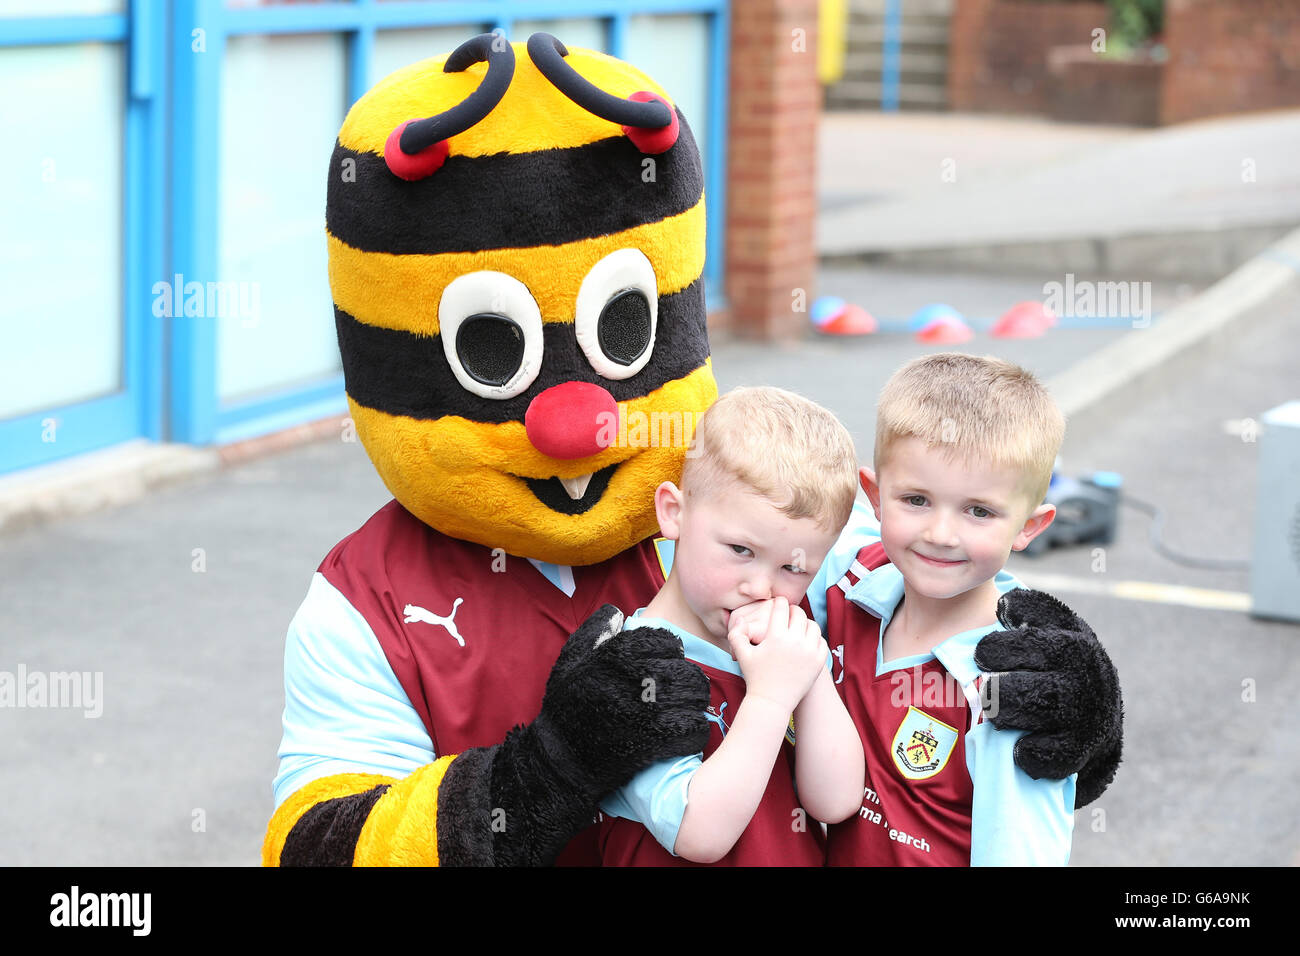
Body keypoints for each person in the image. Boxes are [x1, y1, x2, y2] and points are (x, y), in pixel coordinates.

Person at [804, 352, 1079, 865]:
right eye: (916, 500)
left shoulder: (1014, 690)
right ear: (874, 496)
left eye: (979, 511)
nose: (940, 534)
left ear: (1029, 527)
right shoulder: (849, 575)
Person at [598, 386, 865, 865]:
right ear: (674, 514)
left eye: (794, 568)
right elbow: (698, 834)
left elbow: (837, 801)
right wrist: (769, 698)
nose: (761, 587)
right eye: (741, 551)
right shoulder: (628, 669)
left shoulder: (785, 645)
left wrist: (813, 671)